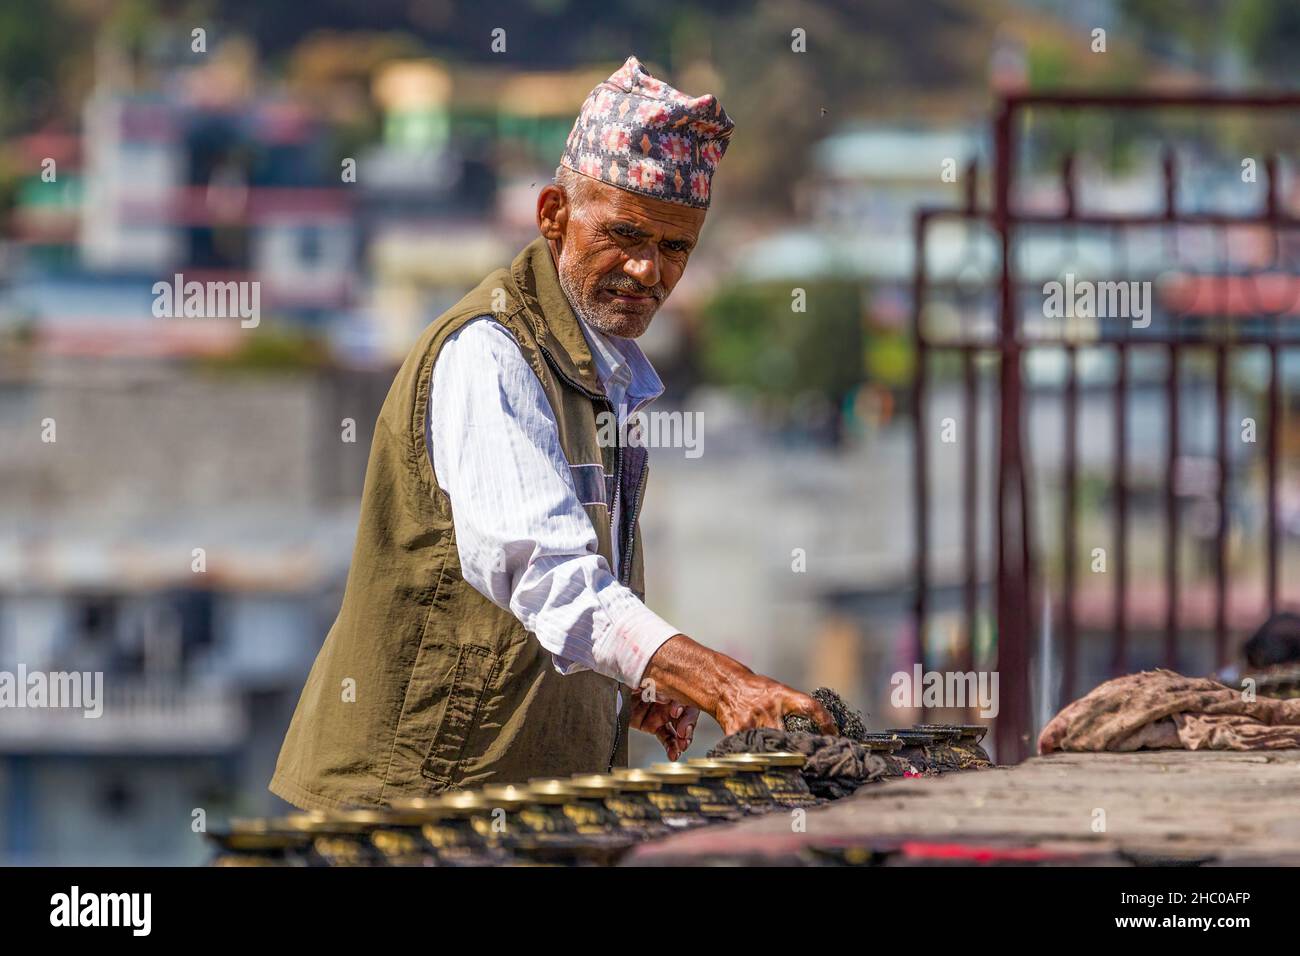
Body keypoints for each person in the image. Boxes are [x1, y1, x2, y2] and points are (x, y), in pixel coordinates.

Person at [271, 56, 834, 811]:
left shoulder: (601, 376)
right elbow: (549, 574)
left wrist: (637, 677)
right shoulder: (490, 354)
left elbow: (556, 613)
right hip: (412, 814)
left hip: (510, 811)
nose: (647, 270)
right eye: (627, 234)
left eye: (676, 248)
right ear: (554, 217)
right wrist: (718, 682)